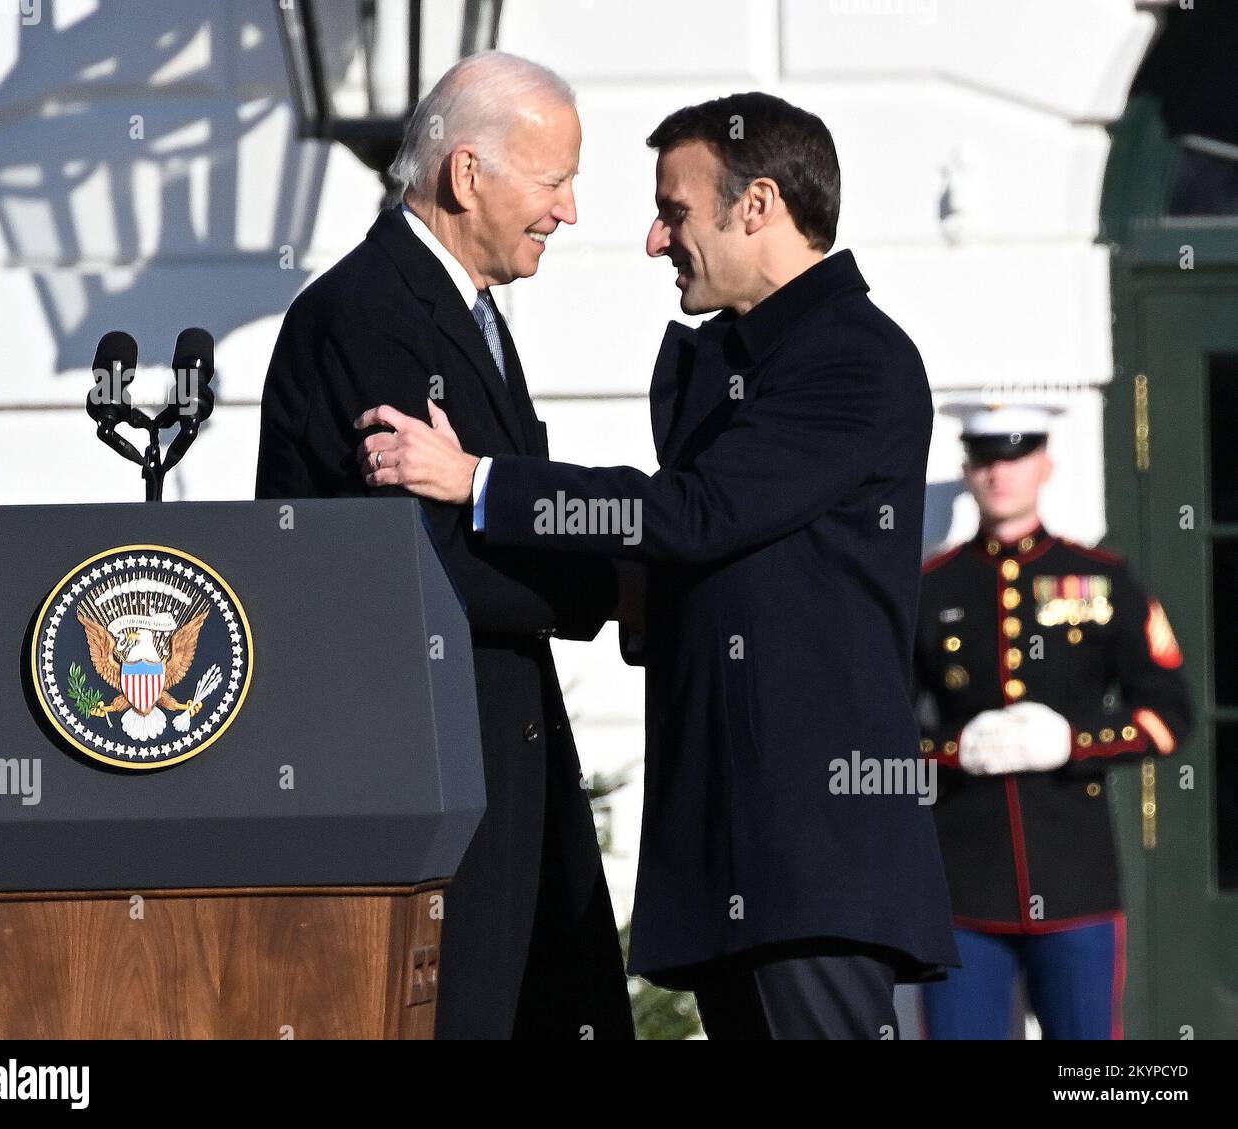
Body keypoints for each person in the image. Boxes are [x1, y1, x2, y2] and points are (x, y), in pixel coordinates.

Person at [357, 92, 959, 1039]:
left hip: (807, 861)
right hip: (734, 853)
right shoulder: (744, 359)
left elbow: (697, 513)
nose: (653, 239)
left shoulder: (853, 357)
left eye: (674, 210)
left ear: (756, 204)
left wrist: (481, 480)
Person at [254, 52, 633, 1041]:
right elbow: (414, 560)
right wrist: (623, 580)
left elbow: (492, 512)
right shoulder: (366, 315)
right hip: (422, 771)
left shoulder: (462, 313)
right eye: (553, 183)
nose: (570, 212)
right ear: (468, 174)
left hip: (490, 751)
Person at [915, 403, 1193, 1039]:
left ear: (1046, 465)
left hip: (1076, 876)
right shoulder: (932, 587)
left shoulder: (1102, 578)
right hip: (962, 881)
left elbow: (1170, 714)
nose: (1000, 472)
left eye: (1015, 456)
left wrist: (1074, 741)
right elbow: (878, 730)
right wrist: (956, 749)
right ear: (968, 470)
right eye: (986, 460)